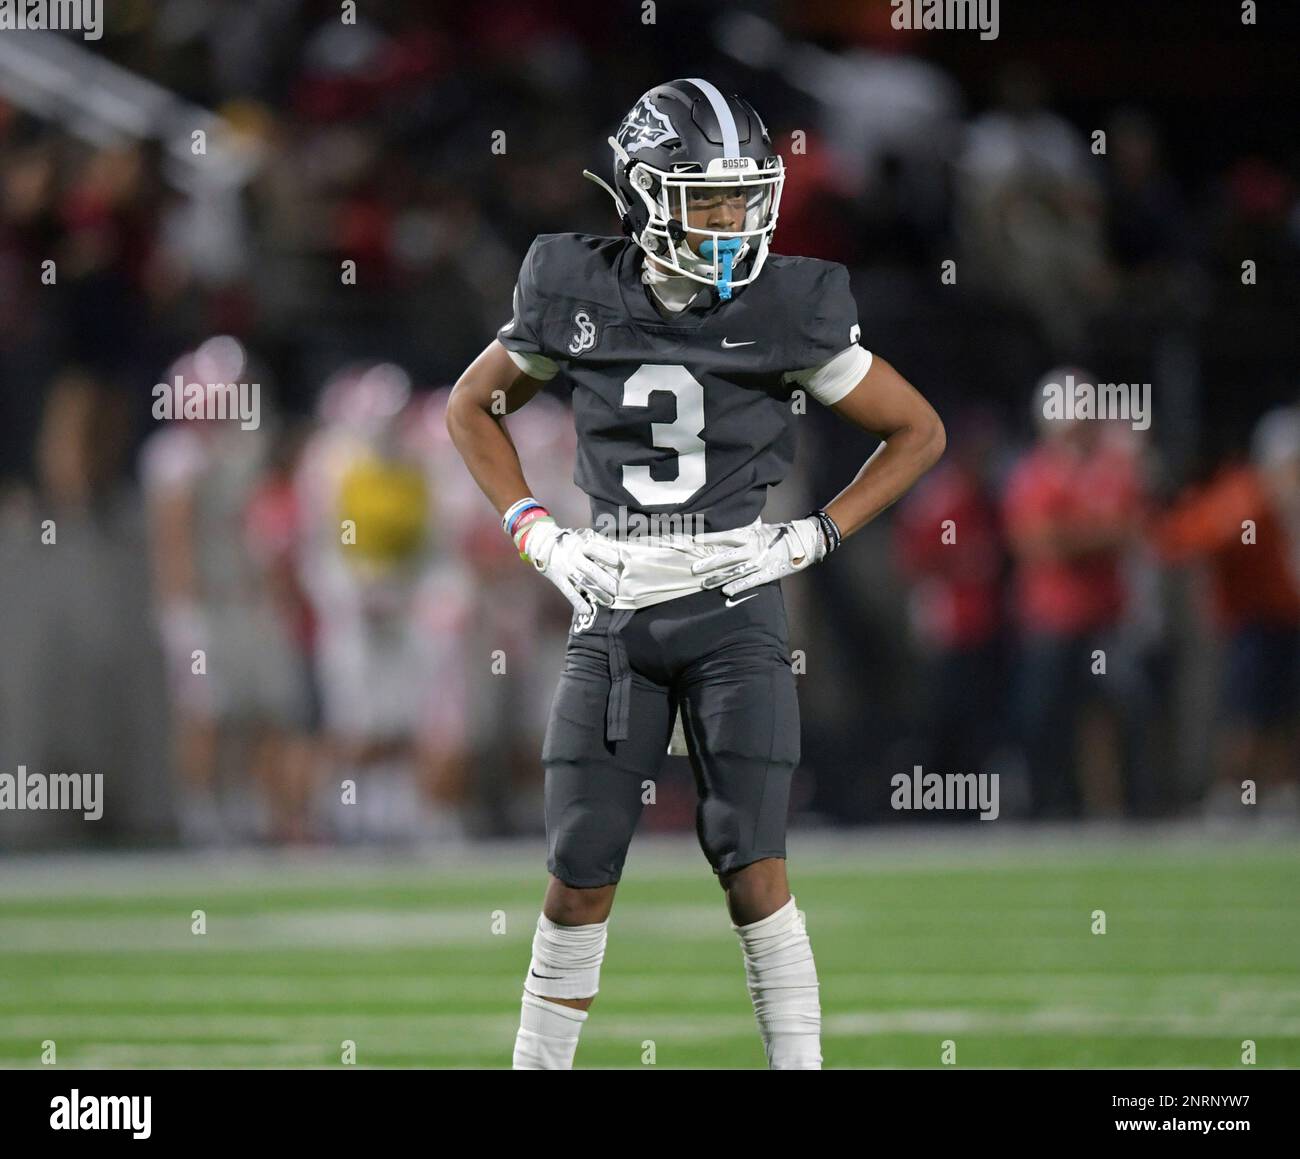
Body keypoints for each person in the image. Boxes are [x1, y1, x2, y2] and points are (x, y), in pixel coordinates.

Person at [445, 79, 945, 1070]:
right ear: (640, 195)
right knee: (577, 872)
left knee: (754, 869)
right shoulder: (571, 286)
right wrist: (538, 534)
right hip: (612, 599)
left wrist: (814, 536)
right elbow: (471, 407)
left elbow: (913, 430)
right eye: (704, 200)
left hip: (733, 602)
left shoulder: (787, 305)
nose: (730, 222)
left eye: (743, 197)